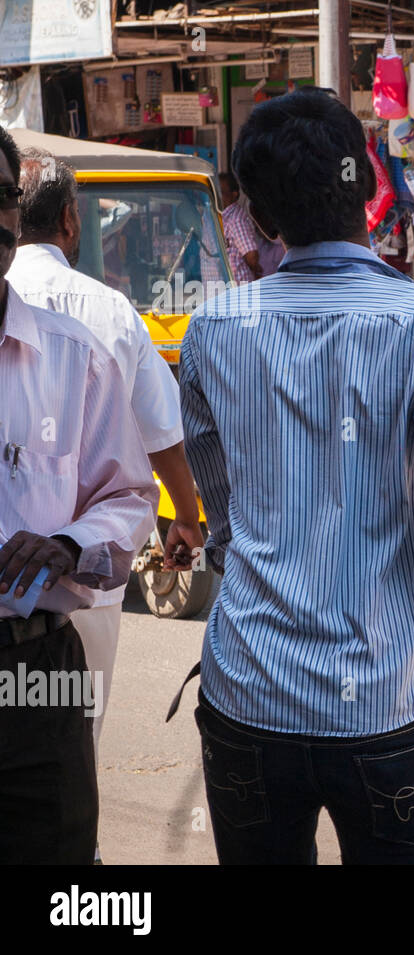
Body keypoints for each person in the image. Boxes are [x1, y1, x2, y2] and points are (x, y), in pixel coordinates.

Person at [179, 89, 414, 864]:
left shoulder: (214, 329)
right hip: (387, 705)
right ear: (366, 185)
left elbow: (221, 519)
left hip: (247, 694)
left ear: (258, 218)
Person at [11, 149, 204, 770]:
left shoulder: (75, 326)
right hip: (83, 595)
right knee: (75, 741)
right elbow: (161, 432)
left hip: (69, 581)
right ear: (70, 221)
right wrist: (187, 517)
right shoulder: (111, 310)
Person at [0, 126, 158, 864]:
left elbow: (129, 492)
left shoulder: (74, 356)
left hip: (35, 673)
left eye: (2, 198)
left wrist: (68, 543)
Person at [219, 171, 284, 282]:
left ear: (234, 194)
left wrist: (256, 269)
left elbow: (252, 257)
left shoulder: (236, 219)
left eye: (221, 193)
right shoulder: (218, 216)